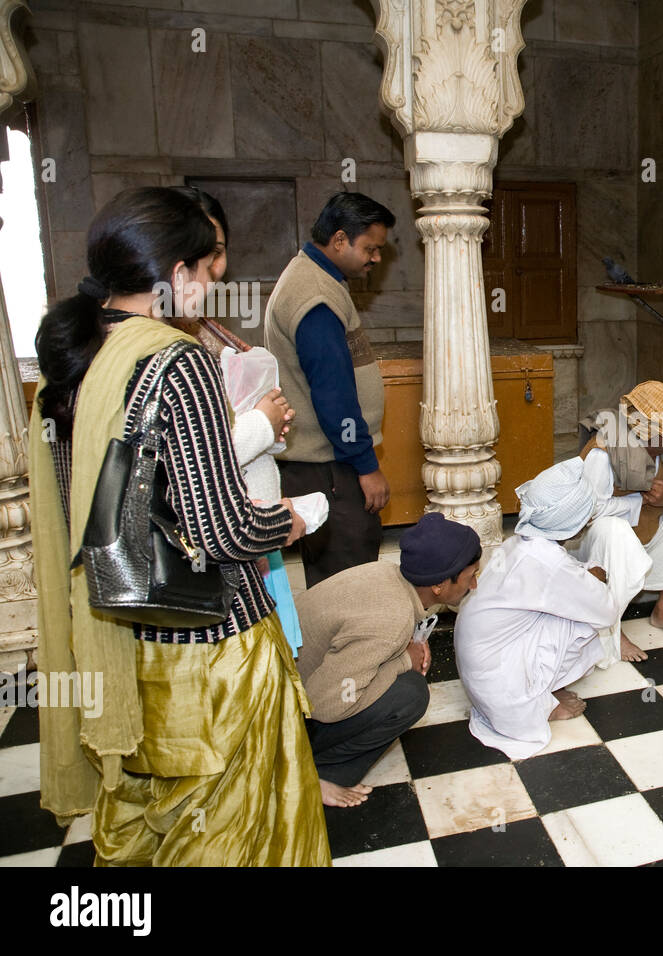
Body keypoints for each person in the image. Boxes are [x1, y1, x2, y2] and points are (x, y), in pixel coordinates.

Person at [30, 186, 329, 866]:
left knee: (154, 815)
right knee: (236, 831)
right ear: (175, 274)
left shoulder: (84, 356)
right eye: (205, 269)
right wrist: (285, 522)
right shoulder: (175, 361)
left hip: (129, 639)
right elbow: (221, 530)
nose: (211, 284)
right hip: (214, 649)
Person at [170, 186, 305, 656]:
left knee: (274, 650)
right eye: (200, 256)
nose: (212, 270)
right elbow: (190, 462)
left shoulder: (206, 330)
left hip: (250, 518)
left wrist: (272, 426)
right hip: (210, 546)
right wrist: (262, 426)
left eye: (219, 252)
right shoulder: (168, 352)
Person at [454, 458, 650, 759]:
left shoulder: (519, 544)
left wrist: (587, 577)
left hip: (483, 677)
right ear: (574, 520)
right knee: (584, 620)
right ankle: (540, 706)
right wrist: (596, 577)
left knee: (572, 605)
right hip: (503, 697)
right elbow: (606, 611)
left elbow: (563, 577)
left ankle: (543, 688)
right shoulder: (547, 561)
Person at [296, 512, 480, 807]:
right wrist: (403, 660)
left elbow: (360, 636)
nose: (473, 586)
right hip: (285, 720)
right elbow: (326, 704)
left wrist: (403, 648)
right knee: (410, 695)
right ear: (438, 586)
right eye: (471, 576)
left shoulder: (385, 574)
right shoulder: (391, 620)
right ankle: (314, 773)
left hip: (290, 685)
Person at [265, 191, 396, 588]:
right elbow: (334, 399)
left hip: (331, 465)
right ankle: (353, 650)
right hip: (331, 469)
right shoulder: (315, 297)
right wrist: (367, 467)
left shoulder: (315, 277)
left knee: (337, 574)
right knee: (349, 580)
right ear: (339, 240)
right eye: (370, 249)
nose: (375, 259)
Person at [577, 380, 663, 656]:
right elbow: (589, 512)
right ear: (645, 432)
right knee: (614, 530)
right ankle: (612, 626)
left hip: (645, 534)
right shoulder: (603, 453)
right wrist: (639, 500)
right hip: (601, 545)